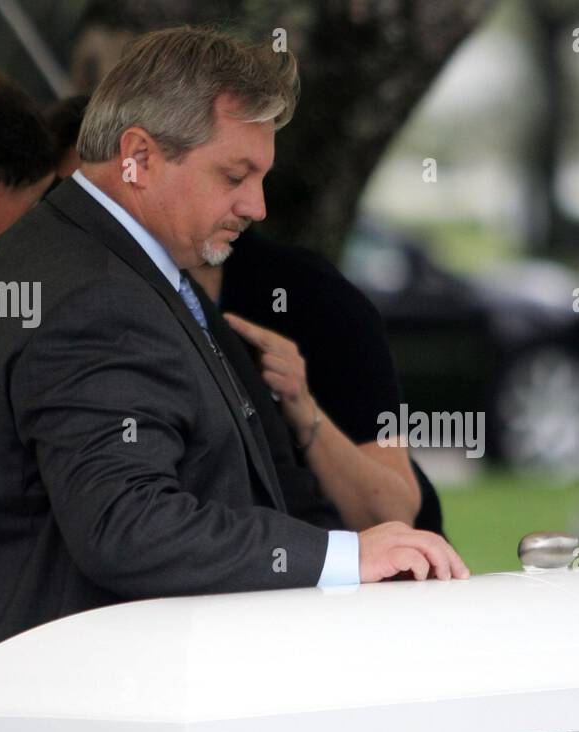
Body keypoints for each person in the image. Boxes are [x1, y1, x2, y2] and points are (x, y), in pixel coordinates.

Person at [0, 24, 468, 713]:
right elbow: (127, 524)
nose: (257, 206)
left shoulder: (92, 259)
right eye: (235, 175)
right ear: (138, 156)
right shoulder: (96, 292)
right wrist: (345, 557)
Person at [44, 93, 445, 534]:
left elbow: (396, 513)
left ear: (142, 165)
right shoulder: (82, 304)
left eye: (242, 177)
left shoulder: (316, 298)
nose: (255, 207)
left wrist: (300, 406)